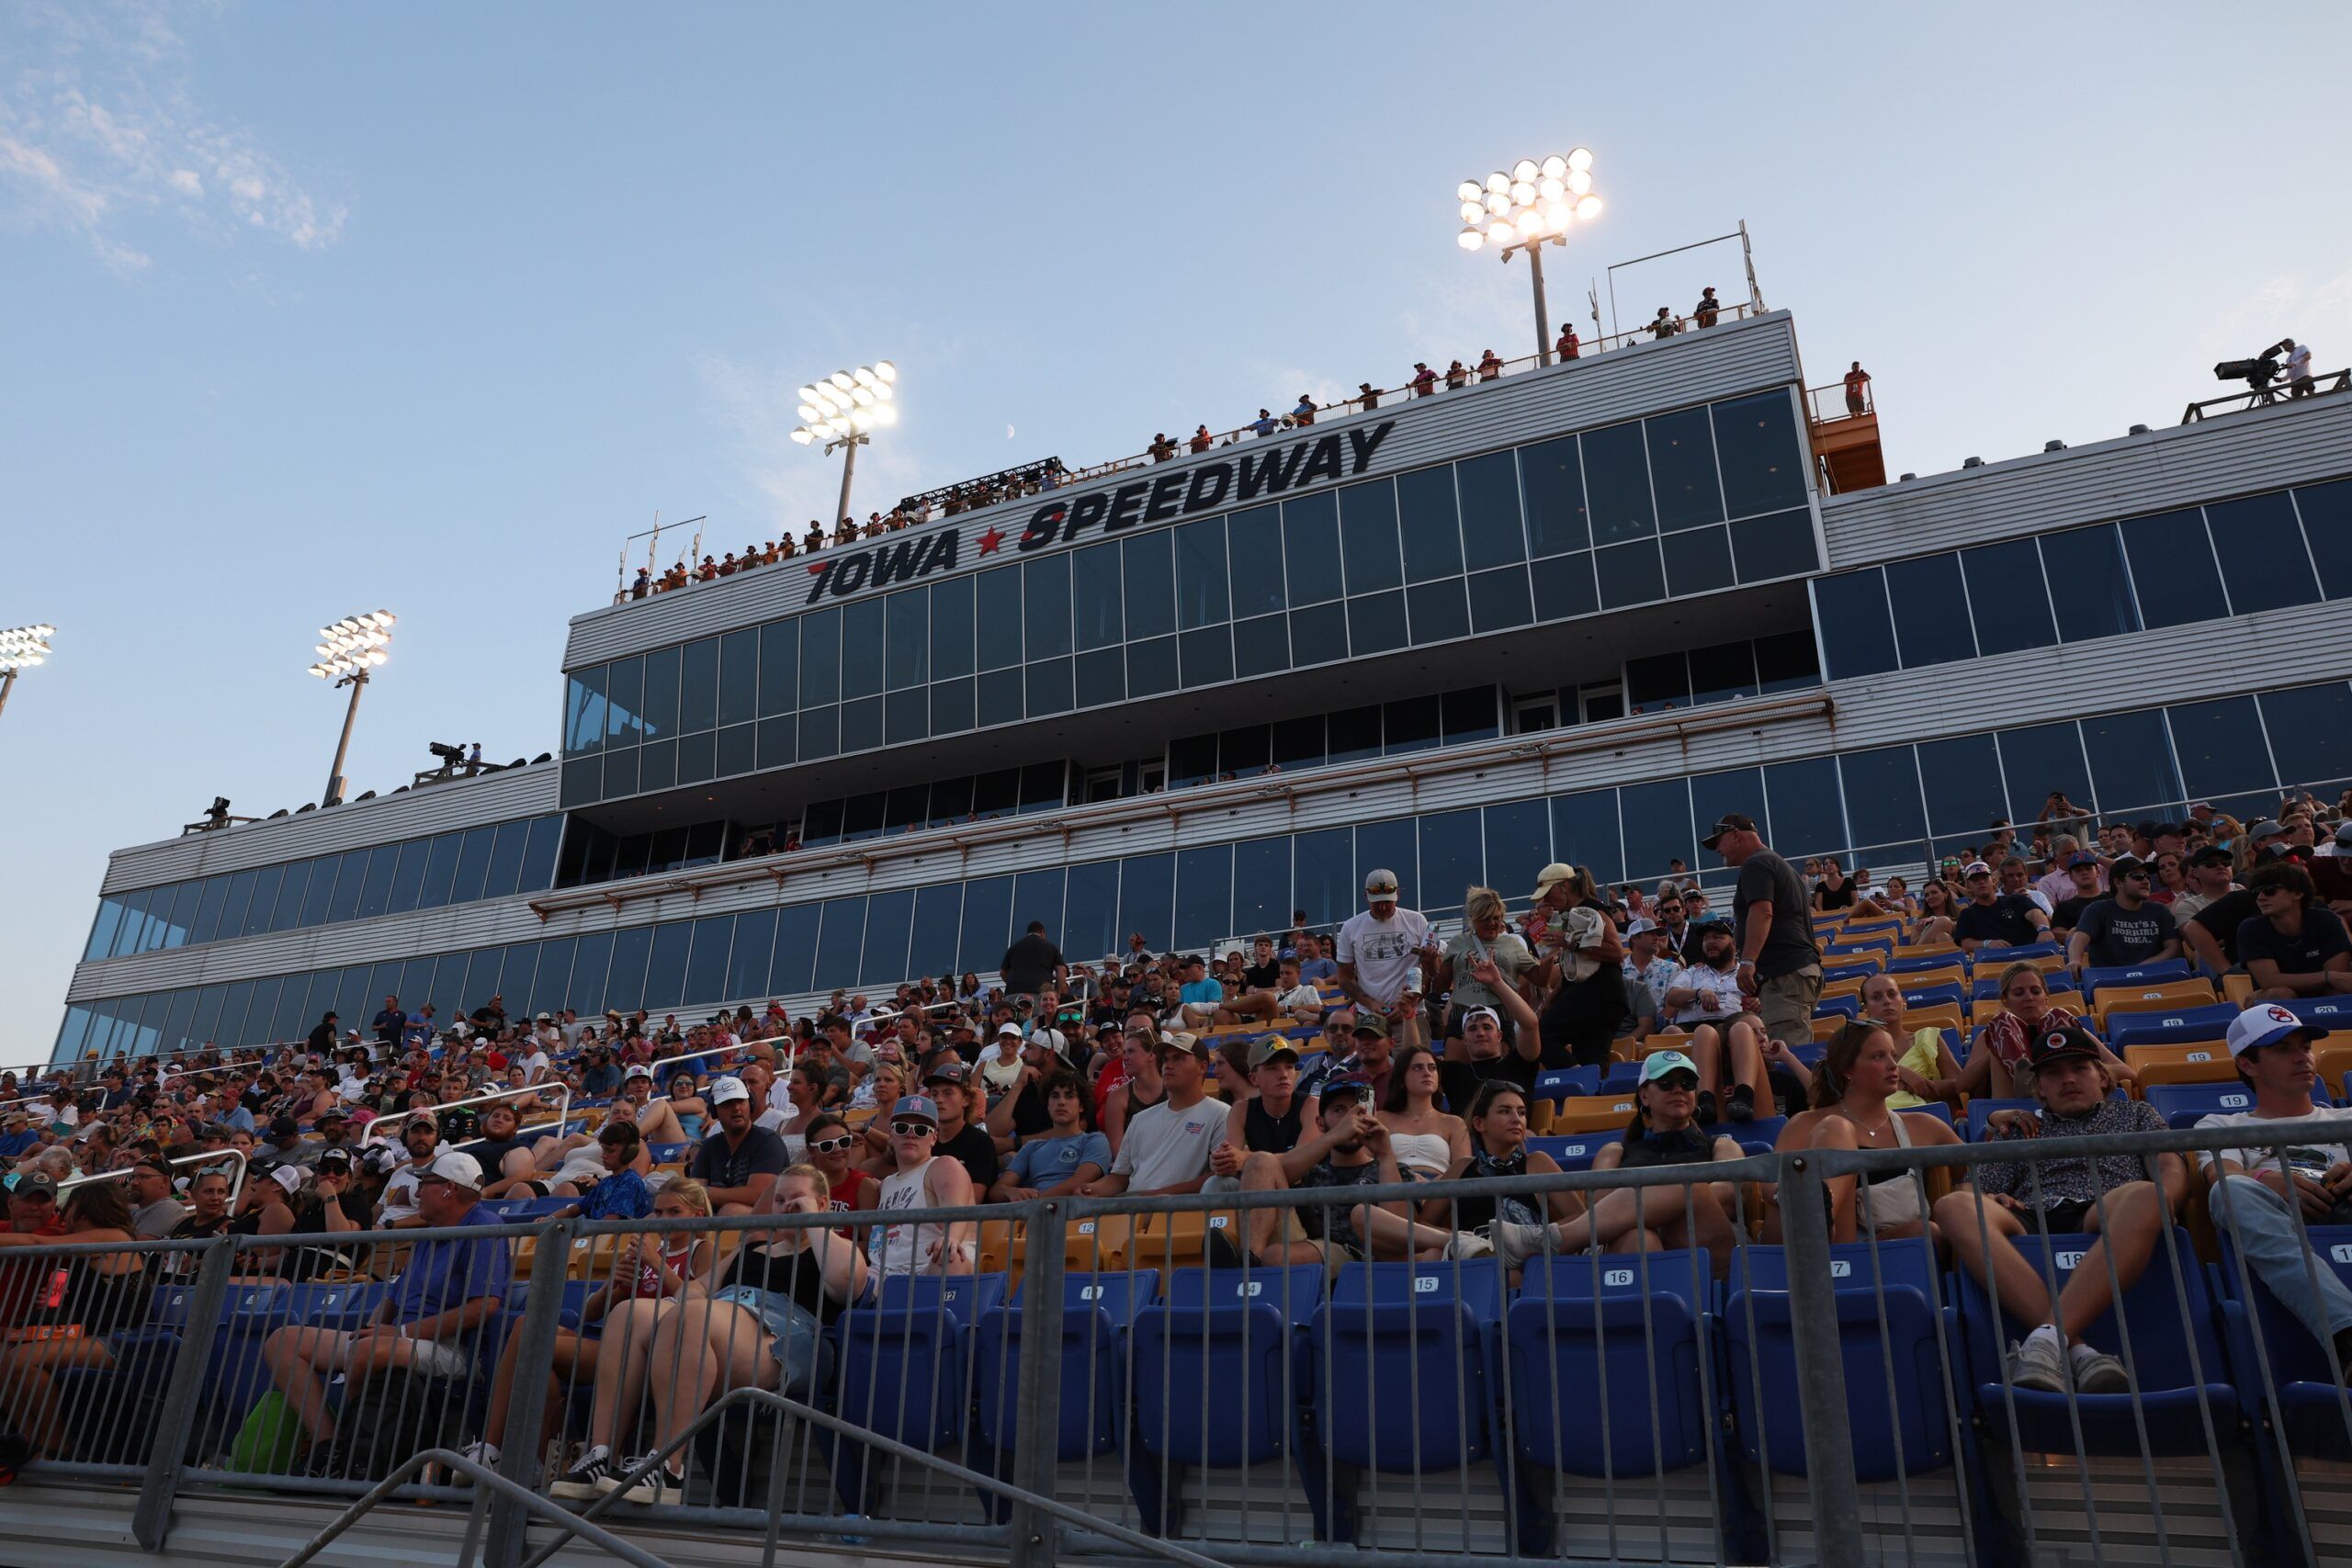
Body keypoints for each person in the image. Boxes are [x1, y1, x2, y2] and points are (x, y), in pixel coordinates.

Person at [1931, 1025, 2184, 1393]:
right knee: (1953, 1205)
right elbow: (1973, 1186)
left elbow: (2170, 1168)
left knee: (2148, 1194)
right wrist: (1988, 1198)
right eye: (2053, 1073)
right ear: (2040, 1089)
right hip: (2031, 1211)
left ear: (2102, 1075)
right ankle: (2076, 1348)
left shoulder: (2137, 1115)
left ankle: (2044, 1343)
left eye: (2079, 1068)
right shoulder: (2023, 1127)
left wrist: (2166, 1202)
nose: (2067, 1079)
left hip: (2103, 1206)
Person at [628, 1167, 872, 1503]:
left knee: (695, 1317)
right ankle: (600, 1455)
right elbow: (694, 1292)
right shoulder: (751, 1250)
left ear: (822, 1204)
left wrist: (813, 1221)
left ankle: (665, 1464)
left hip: (792, 1341)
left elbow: (845, 1284)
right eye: (781, 1200)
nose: (787, 1208)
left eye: (797, 1200)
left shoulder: (833, 1249)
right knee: (631, 1313)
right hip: (729, 1328)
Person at [261, 1151, 511, 1466]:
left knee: (369, 1351)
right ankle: (331, 1443)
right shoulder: (431, 1232)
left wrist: (398, 1333)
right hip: (399, 1339)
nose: (417, 1192)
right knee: (283, 1341)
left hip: (455, 1349)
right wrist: (368, 1330)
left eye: (426, 1184)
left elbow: (483, 1307)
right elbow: (393, 1299)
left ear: (449, 1188)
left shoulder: (486, 1227)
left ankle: (355, 1443)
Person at [469, 1178, 718, 1485]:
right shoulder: (645, 1250)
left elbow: (699, 1305)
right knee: (528, 1332)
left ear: (696, 1215)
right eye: (658, 1212)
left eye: (674, 1212)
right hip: (613, 1342)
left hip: (649, 1354)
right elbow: (589, 1313)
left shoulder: (702, 1250)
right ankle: (511, 1453)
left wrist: (658, 1264)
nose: (663, 1220)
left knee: (532, 1343)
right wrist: (614, 1286)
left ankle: (501, 1451)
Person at [2199, 1004, 2352, 1367]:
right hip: (2278, 1219)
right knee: (2231, 1191)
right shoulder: (2222, 1125)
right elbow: (2222, 1175)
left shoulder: (2345, 1118)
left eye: (2304, 1047)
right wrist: (2266, 1180)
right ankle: (2347, 1338)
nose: (2302, 1058)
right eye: (2284, 1049)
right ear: (2247, 1064)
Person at [1779, 1021, 1961, 1243]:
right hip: (1823, 1248)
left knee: (1926, 1232)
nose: (1894, 1065)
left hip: (1893, 1252)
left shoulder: (1923, 1125)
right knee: (1836, 1128)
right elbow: (1771, 1189)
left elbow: (1976, 1172)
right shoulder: (1805, 1123)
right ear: (1848, 1070)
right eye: (1878, 1057)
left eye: (1893, 1056)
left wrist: (1992, 1122)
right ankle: (1816, 1217)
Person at [0, 1180, 144, 1455]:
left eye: (70, 1207)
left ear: (86, 1209)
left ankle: (55, 1441)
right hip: (88, 1335)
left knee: (21, 1359)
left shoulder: (113, 1236)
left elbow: (36, 1241)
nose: (64, 1214)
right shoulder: (86, 1248)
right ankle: (29, 1435)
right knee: (7, 1357)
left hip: (121, 1339)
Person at [1704, 814, 1824, 1053]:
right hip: (1794, 970)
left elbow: (1762, 912)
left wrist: (1747, 962)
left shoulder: (1756, 863)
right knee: (1788, 1049)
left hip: (1784, 973)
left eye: (1719, 841)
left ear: (1736, 834)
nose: (1718, 849)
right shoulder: (1777, 863)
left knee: (1788, 1054)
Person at [1659, 917, 1769, 1123]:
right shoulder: (1693, 972)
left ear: (1733, 944)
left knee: (1744, 1028)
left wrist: (1758, 1002)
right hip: (1691, 1028)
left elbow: (1767, 1000)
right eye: (1706, 938)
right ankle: (1705, 1101)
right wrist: (1698, 992)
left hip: (1732, 1025)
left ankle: (1744, 1097)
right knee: (1671, 1033)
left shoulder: (1747, 974)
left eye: (1718, 937)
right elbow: (1672, 997)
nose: (1710, 942)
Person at [1084, 1036, 1223, 1197]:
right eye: (1165, 1060)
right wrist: (1089, 1190)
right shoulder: (1140, 1119)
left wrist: (1154, 1196)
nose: (1168, 1066)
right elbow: (1119, 1179)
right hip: (1130, 1208)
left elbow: (1216, 1177)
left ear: (1202, 1067)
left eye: (1178, 1058)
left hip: (1175, 1212)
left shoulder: (1219, 1114)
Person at [1525, 863, 1628, 1067]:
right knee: (1591, 1064)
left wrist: (1569, 941)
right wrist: (1550, 1001)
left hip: (1598, 994)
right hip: (1601, 999)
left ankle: (1578, 1077)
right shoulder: (1569, 916)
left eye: (1548, 893)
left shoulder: (1592, 909)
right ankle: (1588, 1090)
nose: (1545, 900)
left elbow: (1616, 952)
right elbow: (1573, 972)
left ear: (1564, 886)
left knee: (1540, 1037)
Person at [864, 1097, 978, 1276]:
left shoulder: (943, 1166)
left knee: (950, 1257)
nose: (911, 1134)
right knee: (841, 1262)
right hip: (881, 1274)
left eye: (921, 1130)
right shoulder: (886, 1184)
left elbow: (958, 1213)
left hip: (927, 1271)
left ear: (934, 1138)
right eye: (902, 1128)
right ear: (891, 1136)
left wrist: (951, 1238)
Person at [2239, 860, 2352, 998]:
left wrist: (2332, 977)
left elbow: (2339, 979)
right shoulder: (2251, 929)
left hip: (2326, 993)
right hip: (2278, 1003)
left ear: (2298, 893)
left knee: (2339, 990)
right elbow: (2269, 981)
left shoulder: (2327, 921)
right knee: (2280, 993)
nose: (2261, 898)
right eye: (2257, 893)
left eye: (2270, 891)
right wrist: (2327, 976)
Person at [1434, 887, 1537, 1038]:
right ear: (1473, 918)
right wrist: (1431, 965)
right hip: (1462, 1013)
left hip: (1500, 1013)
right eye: (1485, 918)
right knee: (1458, 1062)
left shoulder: (1512, 943)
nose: (1492, 923)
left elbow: (1538, 979)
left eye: (1496, 918)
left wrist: (1549, 952)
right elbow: (1440, 987)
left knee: (1500, 1061)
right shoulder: (1458, 942)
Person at [990, 1075, 1110, 1201]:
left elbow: (1080, 1181)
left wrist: (1035, 1203)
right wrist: (1011, 1191)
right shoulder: (1032, 1147)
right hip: (1032, 1215)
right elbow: (996, 1192)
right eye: (1055, 1096)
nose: (1061, 1102)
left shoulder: (1095, 1141)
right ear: (1047, 1105)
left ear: (1082, 1106)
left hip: (1074, 1213)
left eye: (1069, 1096)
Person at [1335, 868, 1434, 1021]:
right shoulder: (1350, 927)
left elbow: (1430, 973)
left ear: (1398, 895)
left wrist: (1410, 1003)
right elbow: (1344, 978)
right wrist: (1370, 1003)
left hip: (1411, 1015)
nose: (1382, 907)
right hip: (1370, 1017)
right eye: (1377, 903)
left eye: (1387, 902)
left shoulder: (1417, 921)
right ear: (1366, 896)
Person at [686, 1077, 791, 1215]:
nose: (736, 1108)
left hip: (771, 1222)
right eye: (727, 1103)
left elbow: (758, 1195)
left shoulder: (768, 1141)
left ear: (750, 1104)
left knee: (730, 1211)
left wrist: (704, 1192)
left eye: (741, 1101)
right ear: (714, 1110)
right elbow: (695, 1194)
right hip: (721, 1223)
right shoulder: (710, 1146)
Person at [2064, 856, 2181, 971]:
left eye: (2147, 877)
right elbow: (2079, 938)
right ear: (2119, 883)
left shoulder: (2159, 911)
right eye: (2138, 877)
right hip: (2112, 982)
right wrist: (2074, 960)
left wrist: (2142, 968)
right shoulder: (2098, 910)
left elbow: (2173, 948)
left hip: (2156, 977)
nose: (2146, 881)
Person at [1377, 1043, 1471, 1179]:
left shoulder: (1454, 1123)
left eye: (1432, 1068)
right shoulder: (1381, 1118)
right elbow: (1365, 1164)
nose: (1427, 1073)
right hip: (1392, 1189)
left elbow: (1463, 1172)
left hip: (1439, 1191)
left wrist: (1435, 1183)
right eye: (1417, 1068)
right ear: (1401, 1078)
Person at [1951, 859, 2053, 953]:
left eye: (1985, 878)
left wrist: (2043, 929)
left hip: (2030, 952)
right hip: (1995, 961)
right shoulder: (1967, 914)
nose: (1981, 882)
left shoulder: (2017, 900)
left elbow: (2036, 914)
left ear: (1994, 881)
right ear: (1968, 886)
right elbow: (1965, 943)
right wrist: (1988, 943)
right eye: (1975, 880)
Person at [1000, 920, 1063, 998]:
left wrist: (1014, 984)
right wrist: (1057, 993)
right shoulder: (1050, 947)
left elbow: (1003, 972)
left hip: (1012, 994)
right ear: (1042, 932)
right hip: (1038, 993)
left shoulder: (1013, 947)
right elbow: (1062, 969)